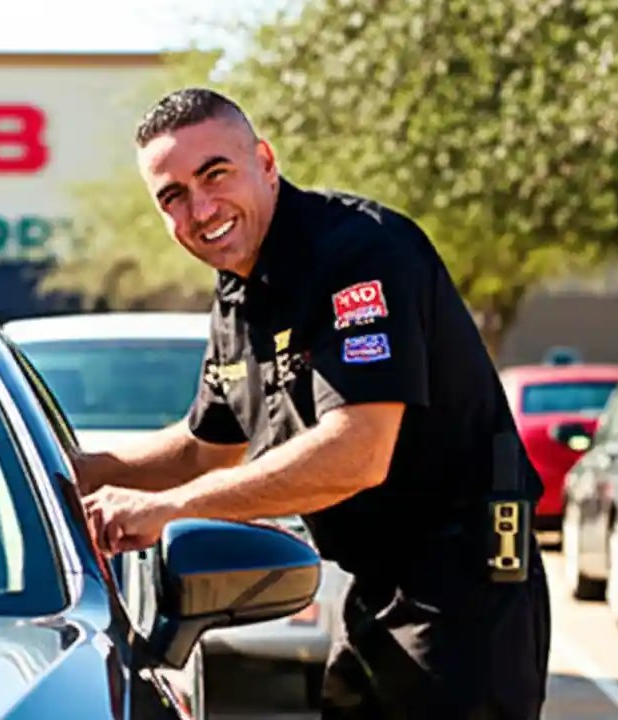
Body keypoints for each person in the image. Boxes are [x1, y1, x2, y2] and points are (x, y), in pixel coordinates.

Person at [75, 87, 552, 719]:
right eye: (173, 196)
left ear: (266, 163)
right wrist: (58, 474)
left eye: (215, 173)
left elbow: (358, 455)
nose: (201, 207)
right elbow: (203, 448)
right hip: (376, 585)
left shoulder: (360, 254)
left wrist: (166, 511)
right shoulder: (239, 292)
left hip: (467, 589)